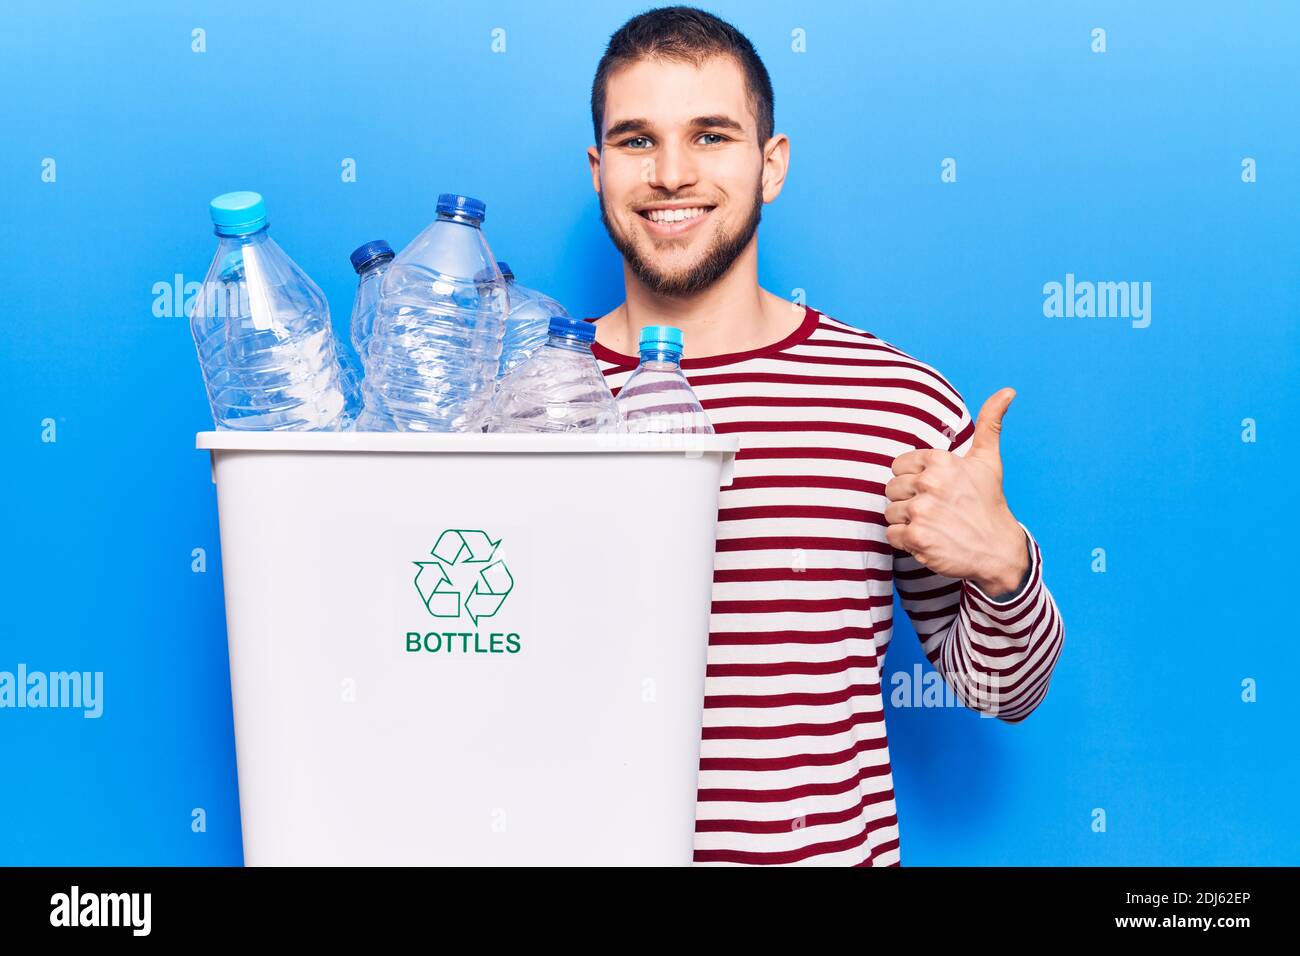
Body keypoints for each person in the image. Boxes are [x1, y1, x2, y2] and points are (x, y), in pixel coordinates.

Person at [585, 6, 1065, 866]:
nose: (670, 174)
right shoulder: (525, 400)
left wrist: (1006, 566)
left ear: (771, 166)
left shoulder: (894, 402)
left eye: (710, 136)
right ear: (598, 169)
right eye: (636, 141)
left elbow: (1005, 692)